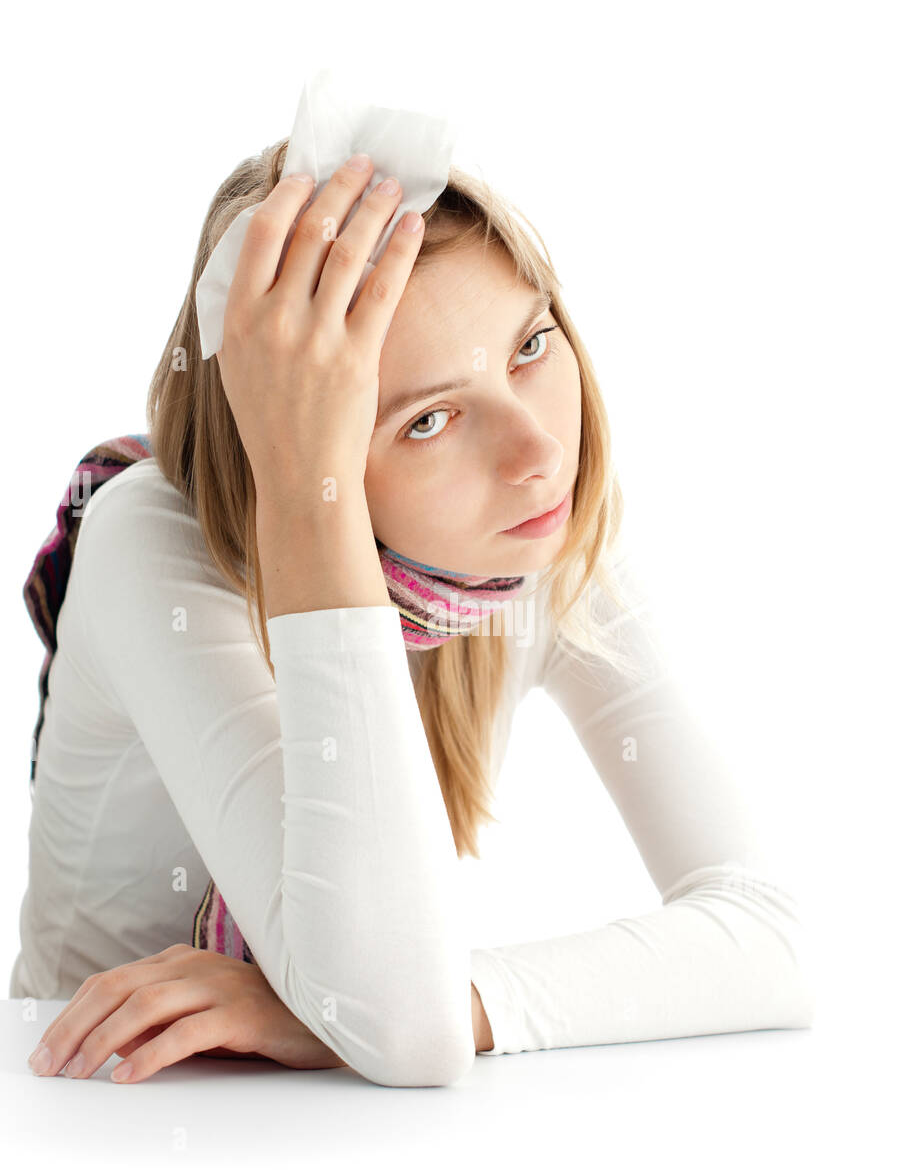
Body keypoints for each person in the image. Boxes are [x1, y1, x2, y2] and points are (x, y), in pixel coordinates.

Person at [15, 145, 815, 1089]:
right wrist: (310, 498)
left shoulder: (544, 533)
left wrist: (416, 1004)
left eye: (530, 346)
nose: (538, 450)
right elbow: (396, 1024)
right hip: (95, 1112)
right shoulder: (150, 544)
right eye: (428, 420)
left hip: (371, 1144)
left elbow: (774, 937)